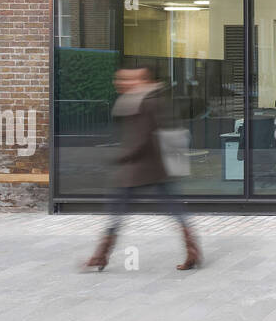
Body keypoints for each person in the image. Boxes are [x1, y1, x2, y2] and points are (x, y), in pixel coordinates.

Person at [84, 66, 201, 272]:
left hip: (141, 168)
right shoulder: (139, 100)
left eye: (129, 79)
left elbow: (141, 139)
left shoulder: (145, 102)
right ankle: (193, 251)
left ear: (142, 81)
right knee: (170, 208)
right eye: (121, 79)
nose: (122, 83)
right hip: (152, 168)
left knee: (118, 209)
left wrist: (119, 157)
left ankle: (101, 255)